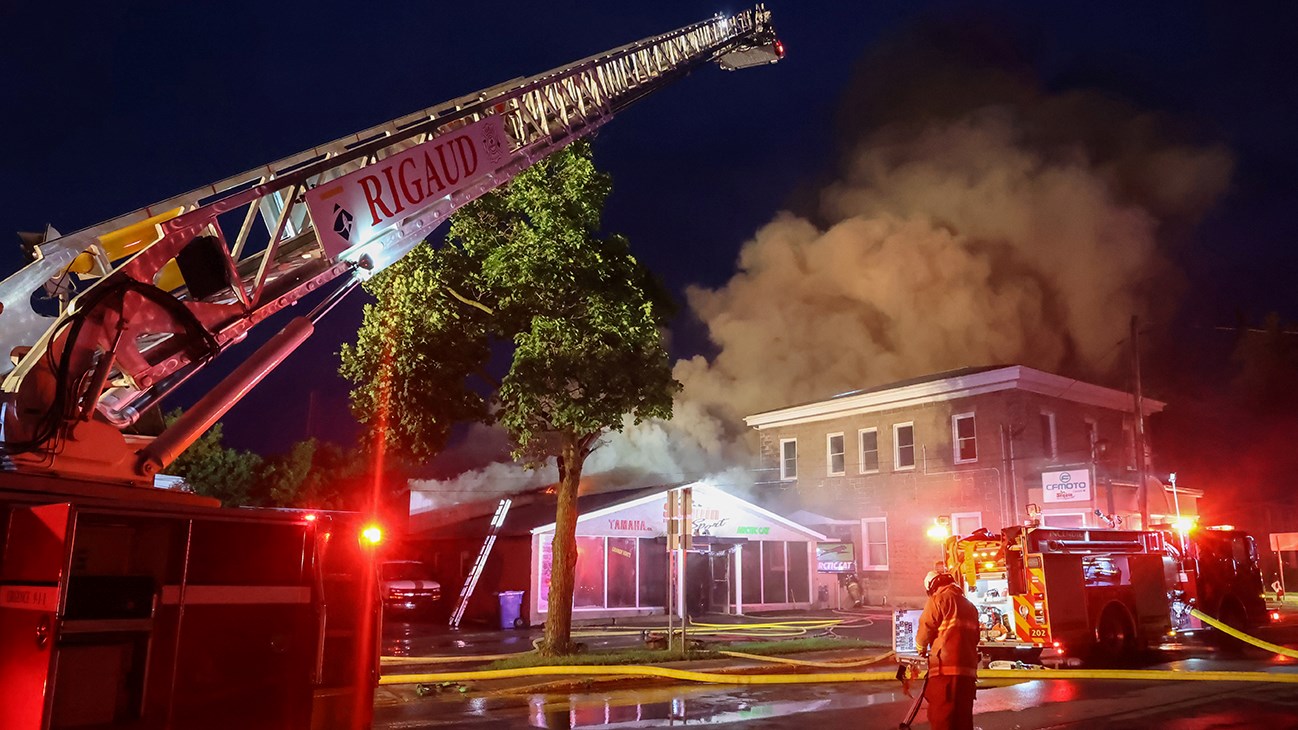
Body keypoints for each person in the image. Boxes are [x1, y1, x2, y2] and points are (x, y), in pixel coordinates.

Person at [916, 570, 980, 730]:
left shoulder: (938, 599)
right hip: (967, 673)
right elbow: (976, 638)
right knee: (963, 720)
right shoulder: (970, 606)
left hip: (945, 671)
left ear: (932, 587)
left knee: (942, 719)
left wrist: (920, 647)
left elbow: (926, 626)